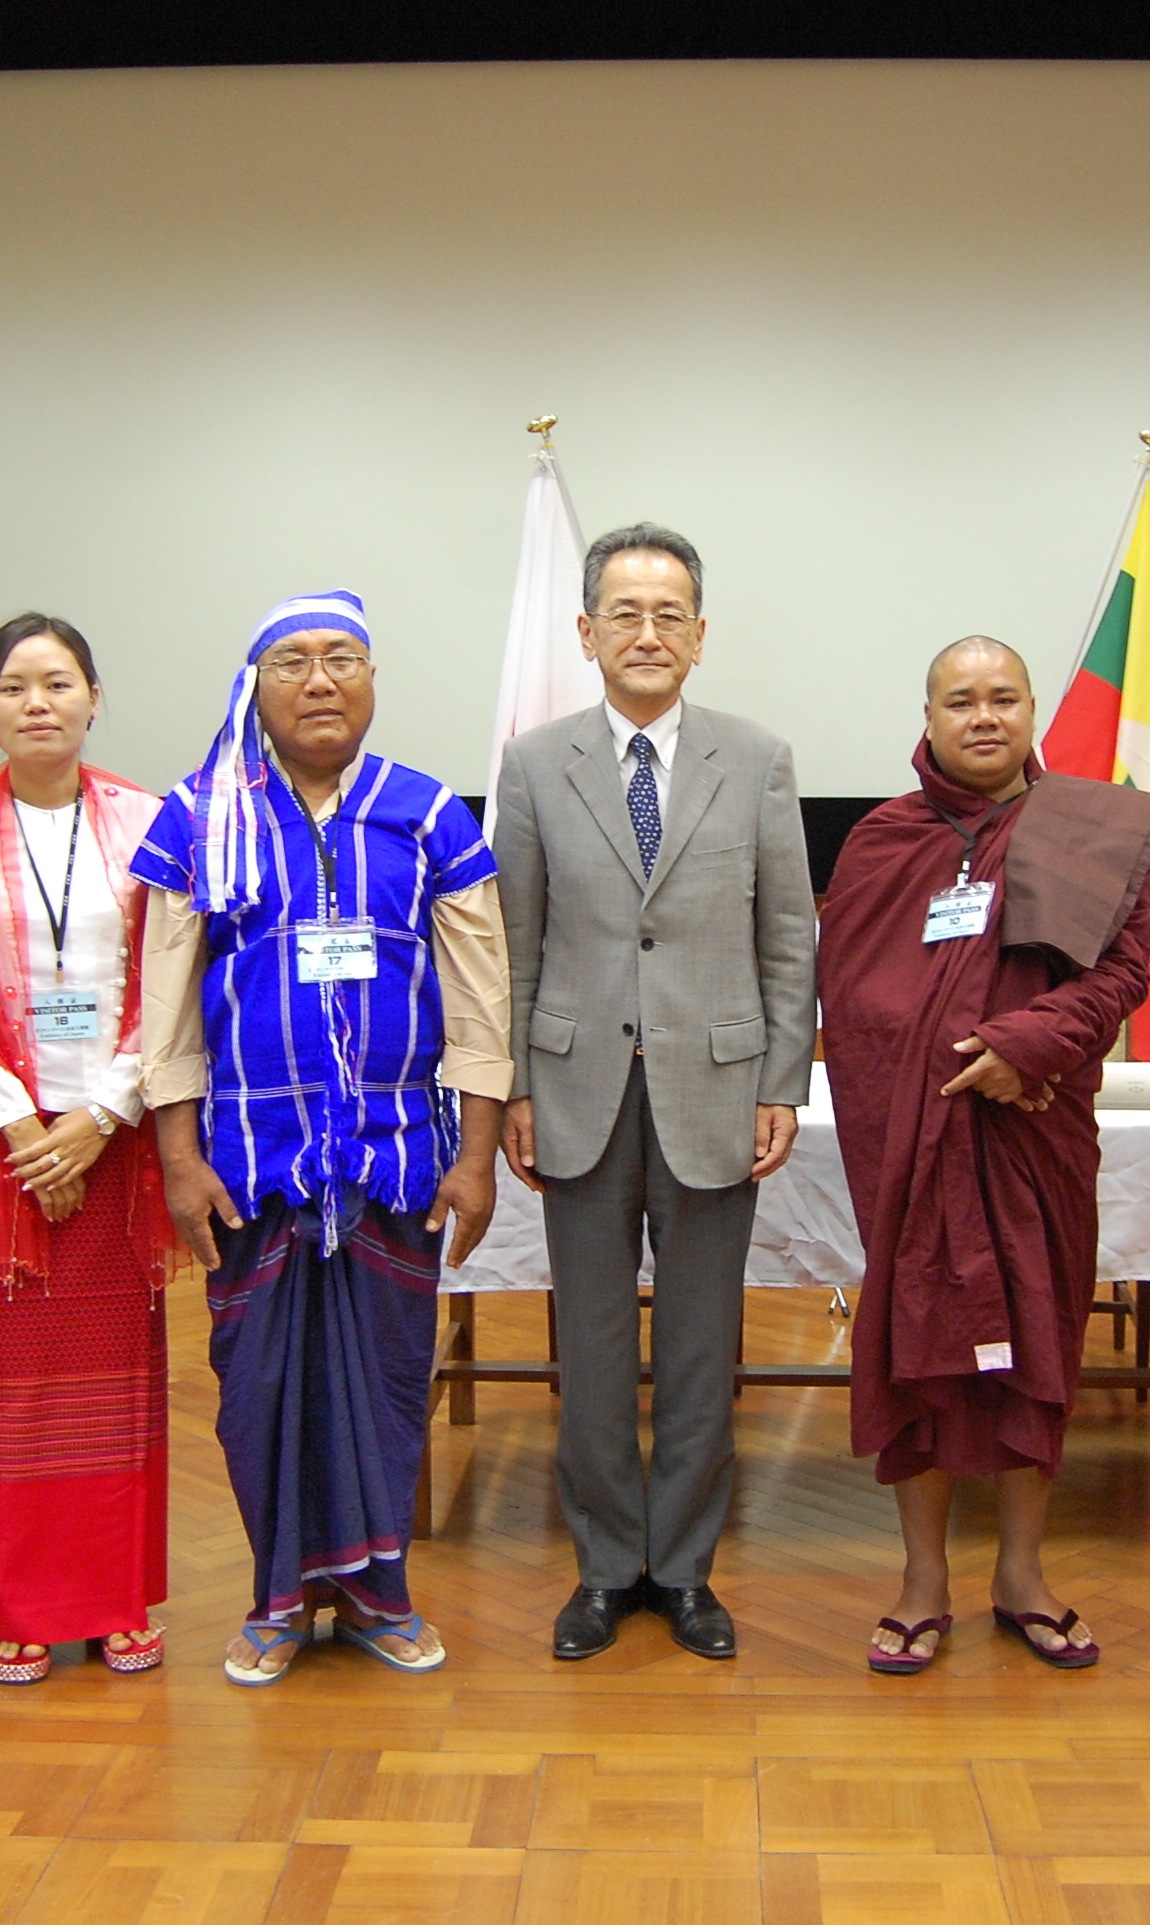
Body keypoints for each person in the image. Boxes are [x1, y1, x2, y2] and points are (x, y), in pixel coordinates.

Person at [132, 589, 508, 1686]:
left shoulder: (429, 813)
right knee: (256, 1392)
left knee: (389, 1386)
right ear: (256, 685)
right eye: (291, 660)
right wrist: (175, 1155)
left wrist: (476, 1155)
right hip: (251, 1166)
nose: (319, 679)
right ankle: (278, 1599)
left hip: (395, 1159)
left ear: (373, 680)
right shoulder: (201, 816)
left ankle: (379, 1595)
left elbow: (482, 1002)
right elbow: (165, 1007)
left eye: (342, 658)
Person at [494, 523, 817, 1663]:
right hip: (576, 1089)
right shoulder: (534, 765)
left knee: (696, 1346)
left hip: (715, 1091)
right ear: (584, 632)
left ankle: (683, 1569)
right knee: (587, 1351)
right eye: (622, 613)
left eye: (666, 613)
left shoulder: (758, 756)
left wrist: (783, 1075)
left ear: (698, 634)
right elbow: (514, 940)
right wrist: (519, 1085)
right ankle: (602, 1568)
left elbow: (787, 931)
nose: (645, 632)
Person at [818, 637, 1150, 1673]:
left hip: (1036, 1131)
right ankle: (921, 1577)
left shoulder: (1087, 830)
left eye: (1003, 697)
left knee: (1035, 1343)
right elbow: (848, 989)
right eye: (959, 699)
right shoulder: (881, 841)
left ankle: (1020, 1570)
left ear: (1030, 713)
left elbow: (1121, 971)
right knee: (917, 1342)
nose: (983, 716)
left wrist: (1026, 1047)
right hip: (912, 1138)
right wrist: (940, 1058)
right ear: (924, 715)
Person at [0, 615, 173, 1686]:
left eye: (58, 682)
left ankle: (112, 1599)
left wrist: (99, 1115)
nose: (37, 702)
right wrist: (22, 1126)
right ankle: (10, 1602)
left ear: (94, 697)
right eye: (13, 686)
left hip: (112, 1143)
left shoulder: (148, 823)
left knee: (113, 1382)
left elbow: (170, 974)